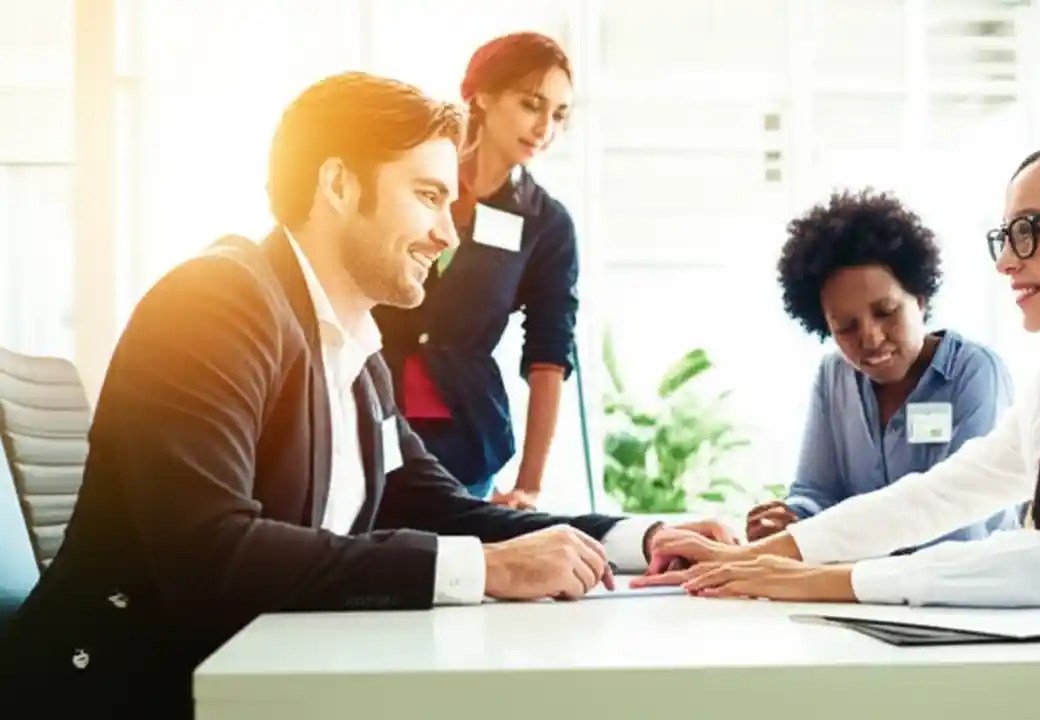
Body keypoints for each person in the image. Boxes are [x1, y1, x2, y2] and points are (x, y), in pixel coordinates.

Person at [0, 72, 731, 718]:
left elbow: (435, 504)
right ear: (339, 185)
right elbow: (209, 552)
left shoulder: (354, 347)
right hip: (127, 691)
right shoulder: (219, 301)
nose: (446, 233)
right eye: (426, 196)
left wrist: (637, 538)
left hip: (251, 676)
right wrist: (487, 568)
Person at [636, 134, 1040, 656]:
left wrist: (819, 581)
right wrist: (751, 558)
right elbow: (935, 496)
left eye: (1030, 232)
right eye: (1005, 238)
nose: (1006, 262)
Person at [374, 32, 580, 510]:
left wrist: (529, 486)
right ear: (482, 94)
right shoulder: (406, 176)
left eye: (560, 115)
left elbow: (550, 356)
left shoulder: (546, 224)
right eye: (532, 104)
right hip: (370, 420)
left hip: (464, 449)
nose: (544, 127)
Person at [744, 188, 1019, 545]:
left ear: (919, 300)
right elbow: (817, 491)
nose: (870, 338)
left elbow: (959, 517)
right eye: (845, 326)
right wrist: (792, 518)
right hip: (858, 587)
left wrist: (823, 539)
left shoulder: (974, 372)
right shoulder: (833, 377)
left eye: (886, 312)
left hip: (964, 587)